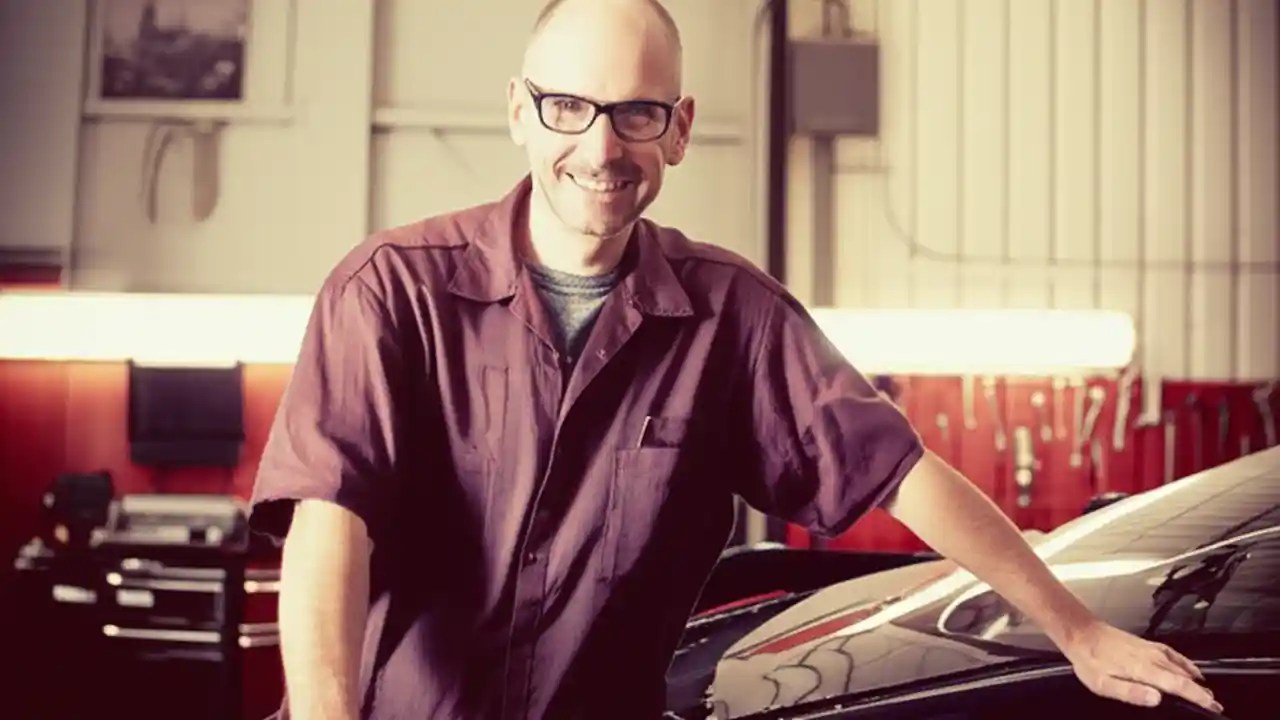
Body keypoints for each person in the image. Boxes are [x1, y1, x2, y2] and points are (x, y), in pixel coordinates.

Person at [247, 1, 1223, 718]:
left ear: (674, 128)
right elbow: (330, 532)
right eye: (568, 108)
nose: (599, 145)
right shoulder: (391, 291)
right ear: (518, 112)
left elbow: (899, 472)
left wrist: (1075, 629)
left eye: (634, 112)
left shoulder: (733, 318)